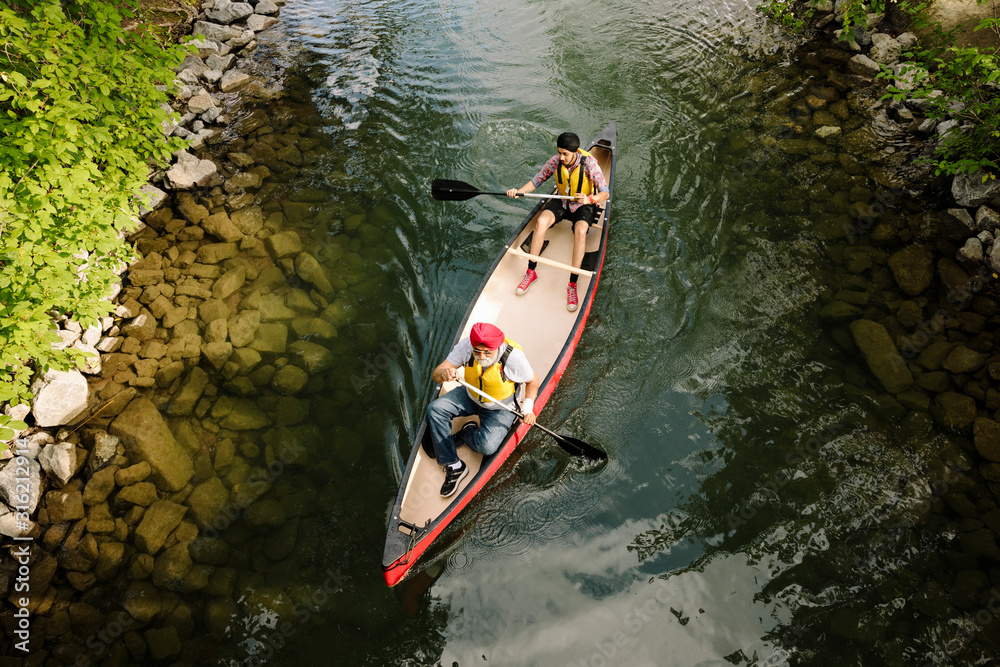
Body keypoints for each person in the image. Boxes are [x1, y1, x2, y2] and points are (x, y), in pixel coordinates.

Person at [426, 322, 539, 497]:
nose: (481, 356)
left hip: (501, 407)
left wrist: (528, 409)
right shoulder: (465, 346)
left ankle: (466, 431)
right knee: (435, 409)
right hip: (470, 396)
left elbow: (533, 382)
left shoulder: (513, 358)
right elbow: (437, 373)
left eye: (487, 352)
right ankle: (454, 465)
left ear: (497, 347)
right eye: (477, 351)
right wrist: (444, 374)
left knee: (487, 447)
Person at [506, 131, 610, 311]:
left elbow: (605, 193)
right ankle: (531, 272)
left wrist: (588, 200)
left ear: (575, 151)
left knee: (580, 232)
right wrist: (520, 191)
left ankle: (572, 284)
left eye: (565, 154)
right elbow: (537, 179)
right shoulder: (556, 161)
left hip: (582, 204)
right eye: (559, 152)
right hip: (562, 200)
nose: (561, 157)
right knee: (540, 222)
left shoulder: (590, 164)